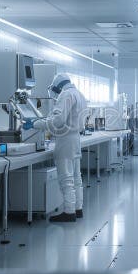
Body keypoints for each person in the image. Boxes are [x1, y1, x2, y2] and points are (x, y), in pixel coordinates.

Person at [27, 73, 87, 222]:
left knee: (66, 177)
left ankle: (69, 212)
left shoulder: (65, 95)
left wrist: (34, 124)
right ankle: (78, 208)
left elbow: (58, 121)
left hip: (66, 140)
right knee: (76, 177)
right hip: (76, 138)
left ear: (58, 86)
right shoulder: (79, 94)